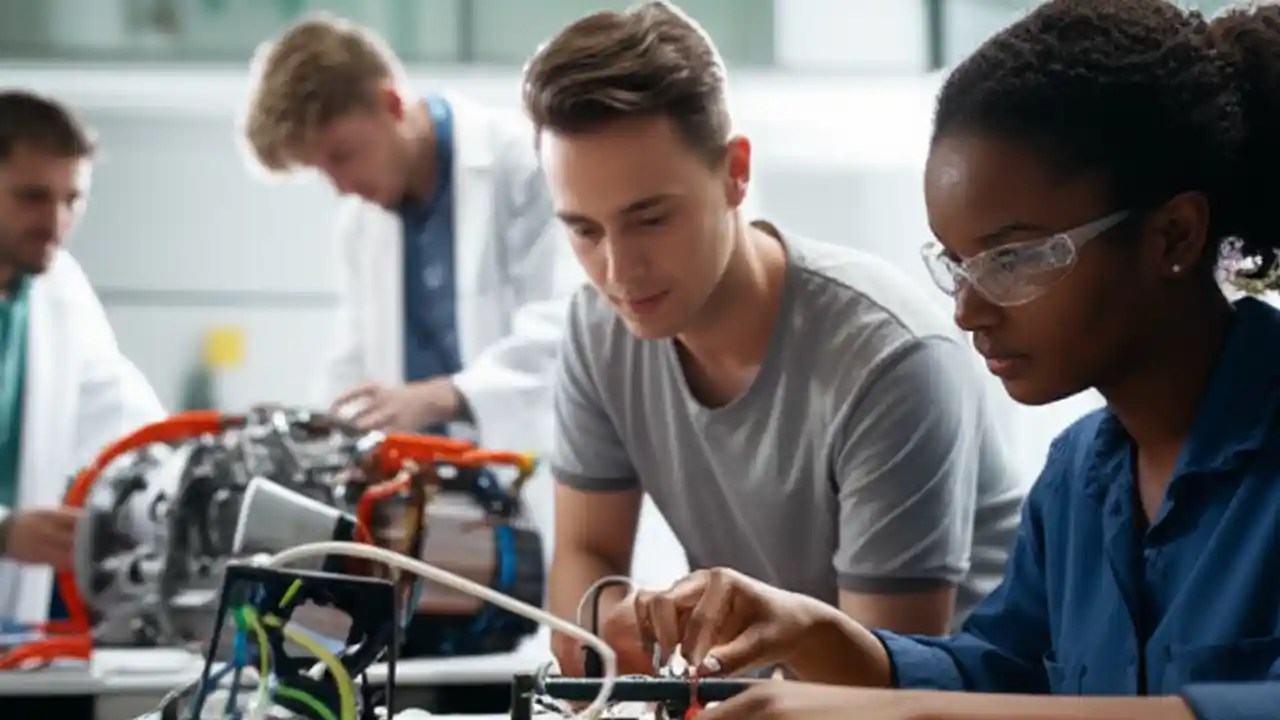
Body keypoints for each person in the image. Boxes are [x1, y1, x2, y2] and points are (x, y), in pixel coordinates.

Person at [627, 1, 1280, 718]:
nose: (969, 311)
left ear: (1173, 236)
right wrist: (812, 631)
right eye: (959, 265)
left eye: (1013, 258)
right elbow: (995, 677)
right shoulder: (1079, 480)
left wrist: (917, 715)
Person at [522, 1, 1026, 677]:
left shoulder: (890, 362)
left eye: (650, 220)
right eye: (584, 230)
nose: (617, 270)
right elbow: (585, 556)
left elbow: (878, 688)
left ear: (735, 171)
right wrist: (611, 622)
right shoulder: (598, 328)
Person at [241, 13, 580, 450]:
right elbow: (354, 358)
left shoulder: (521, 165)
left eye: (343, 155)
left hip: (537, 466)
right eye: (321, 172)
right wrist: (311, 434)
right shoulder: (361, 226)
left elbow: (566, 324)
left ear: (391, 104)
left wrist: (448, 396)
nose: (342, 188)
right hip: (423, 484)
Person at [0, 91, 164, 624]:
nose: (57, 220)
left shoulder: (58, 290)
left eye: (72, 199)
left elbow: (127, 419)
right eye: (32, 197)